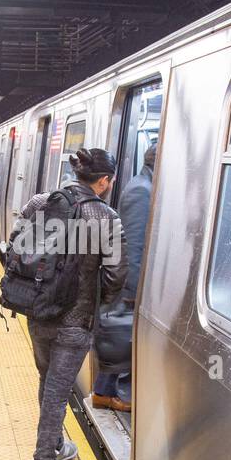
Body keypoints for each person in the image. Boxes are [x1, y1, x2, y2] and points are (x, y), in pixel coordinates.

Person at [18, 148, 126, 460]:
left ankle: (56, 446)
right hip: (76, 321)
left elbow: (18, 249)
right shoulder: (106, 217)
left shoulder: (40, 203)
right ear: (104, 181)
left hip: (38, 312)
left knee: (48, 380)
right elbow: (115, 276)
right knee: (58, 389)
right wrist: (97, 300)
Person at [92, 141, 155, 413]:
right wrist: (131, 291)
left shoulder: (145, 184)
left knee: (121, 335)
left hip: (130, 282)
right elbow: (133, 245)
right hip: (130, 283)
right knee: (122, 334)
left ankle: (105, 391)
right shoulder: (142, 190)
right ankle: (110, 393)